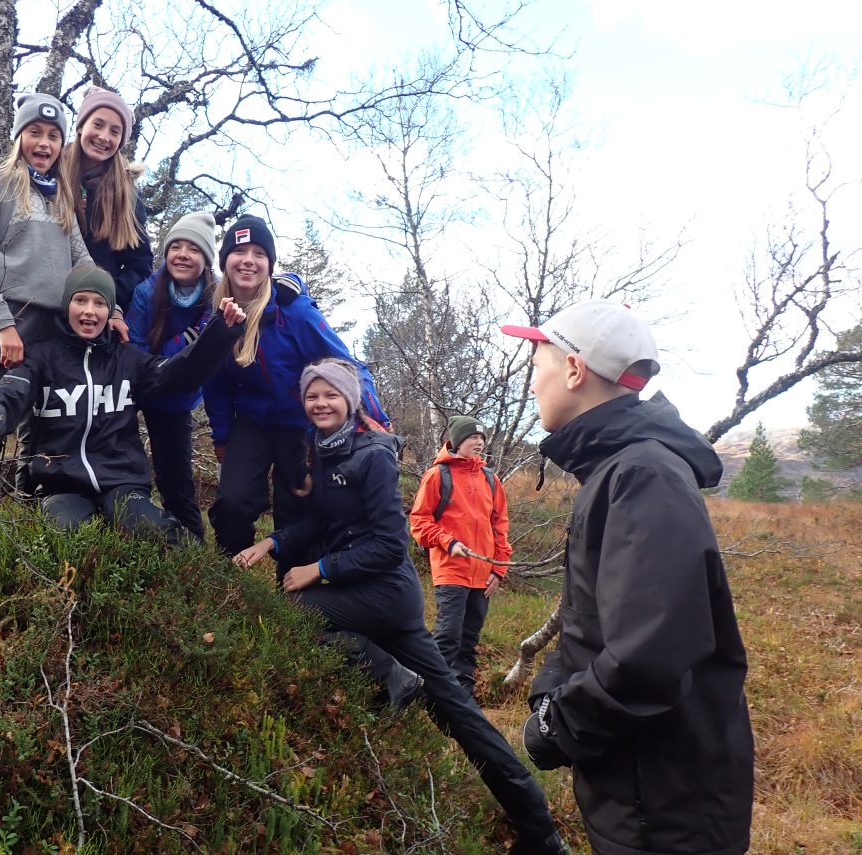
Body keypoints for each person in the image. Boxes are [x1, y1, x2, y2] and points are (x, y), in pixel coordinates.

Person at [233, 359, 569, 855]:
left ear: (350, 400)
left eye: (331, 395)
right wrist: (272, 543)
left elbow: (390, 546)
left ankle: (393, 675)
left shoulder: (373, 455)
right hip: (362, 595)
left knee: (295, 608)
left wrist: (320, 569)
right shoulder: (321, 449)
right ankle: (543, 833)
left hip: (385, 593)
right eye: (311, 396)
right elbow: (323, 523)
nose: (320, 404)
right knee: (460, 715)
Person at [502, 299, 754, 855]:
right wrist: (549, 689)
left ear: (574, 369)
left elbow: (652, 652)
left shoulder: (643, 474)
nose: (533, 383)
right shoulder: (619, 470)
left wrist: (558, 724)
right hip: (641, 784)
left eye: (538, 365)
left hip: (664, 800)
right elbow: (592, 621)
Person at [0, 265, 245, 538]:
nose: (89, 310)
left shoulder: (128, 360)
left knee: (153, 534)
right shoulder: (41, 357)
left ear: (109, 311)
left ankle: (191, 555)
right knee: (68, 536)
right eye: (80, 300)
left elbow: (178, 372)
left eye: (99, 303)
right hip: (62, 487)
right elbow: (11, 390)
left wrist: (220, 332)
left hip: (124, 484)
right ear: (67, 305)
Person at [202, 215, 389, 571]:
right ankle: (230, 576)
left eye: (259, 253)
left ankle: (293, 592)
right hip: (252, 422)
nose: (248, 260)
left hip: (300, 425)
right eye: (239, 251)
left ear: (269, 264)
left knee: (298, 503)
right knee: (232, 502)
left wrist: (375, 417)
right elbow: (216, 384)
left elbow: (346, 366)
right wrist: (222, 437)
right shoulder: (215, 315)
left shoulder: (295, 312)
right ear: (225, 260)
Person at [0, 92, 95, 531]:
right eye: (34, 132)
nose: (44, 143)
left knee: (42, 424)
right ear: (19, 136)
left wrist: (114, 308)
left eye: (53, 136)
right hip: (7, 319)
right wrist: (3, 324)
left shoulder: (62, 195)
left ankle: (33, 520)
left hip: (55, 325)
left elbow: (81, 259)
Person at [125, 211, 218, 541]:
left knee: (176, 478)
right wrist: (182, 345)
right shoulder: (147, 291)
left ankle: (192, 547)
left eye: (193, 249)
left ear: (205, 259)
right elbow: (134, 349)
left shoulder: (216, 296)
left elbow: (205, 358)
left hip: (179, 397)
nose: (182, 255)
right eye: (175, 246)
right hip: (140, 386)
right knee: (124, 466)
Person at [410, 415, 511, 696]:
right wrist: (448, 542)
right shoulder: (437, 475)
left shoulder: (490, 479)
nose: (478, 443)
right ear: (457, 441)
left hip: (484, 574)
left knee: (469, 640)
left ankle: (462, 697)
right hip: (451, 569)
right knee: (448, 636)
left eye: (481, 438)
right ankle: (431, 695)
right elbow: (419, 521)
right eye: (472, 437)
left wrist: (499, 570)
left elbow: (500, 526)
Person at [60, 86, 154, 311]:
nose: (104, 137)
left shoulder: (128, 194)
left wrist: (107, 296)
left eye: (115, 131)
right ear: (81, 125)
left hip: (93, 313)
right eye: (98, 124)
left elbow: (140, 265)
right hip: (43, 301)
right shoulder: (52, 172)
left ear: (121, 141)